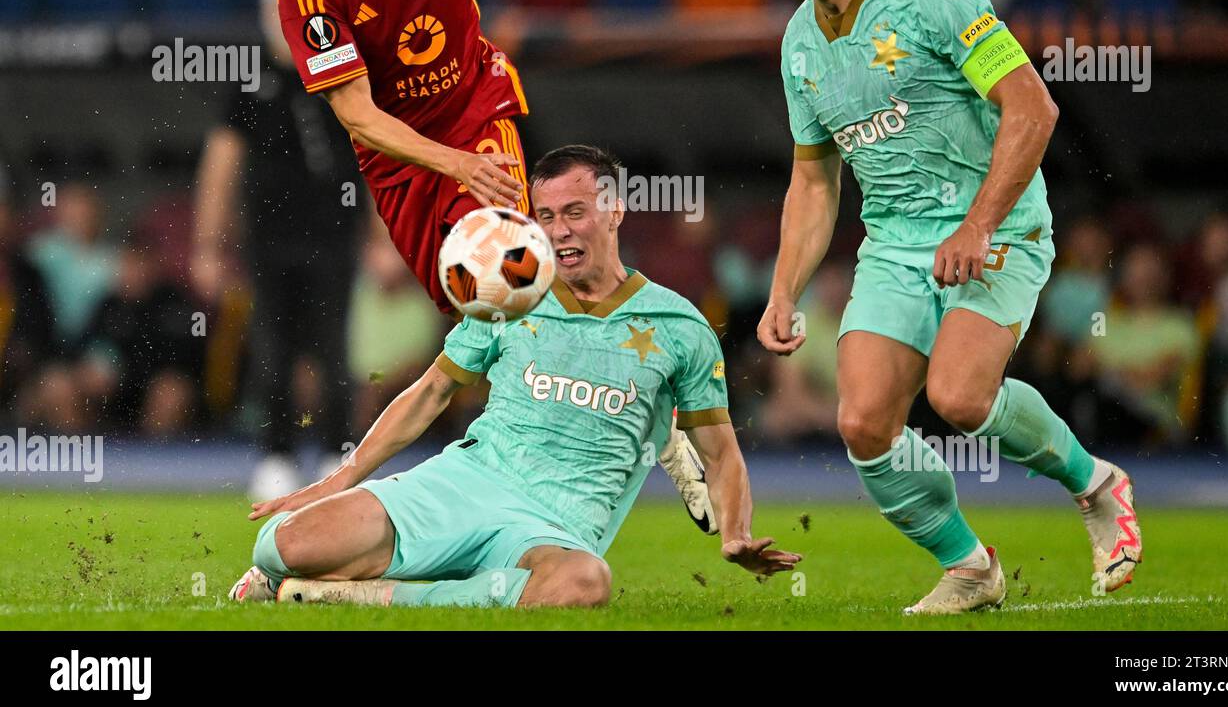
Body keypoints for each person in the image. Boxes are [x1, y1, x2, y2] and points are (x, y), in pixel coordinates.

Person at [275, 0, 714, 528]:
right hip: (402, 157)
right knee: (488, 315)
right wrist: (447, 165)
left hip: (478, 109)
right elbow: (357, 114)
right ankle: (616, 424)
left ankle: (656, 427)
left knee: (526, 270)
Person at [754, 0, 1142, 614]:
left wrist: (979, 224)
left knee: (961, 398)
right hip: (894, 248)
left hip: (995, 227)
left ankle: (1095, 482)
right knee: (863, 423)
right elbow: (814, 180)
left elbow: (1033, 110)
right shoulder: (798, 44)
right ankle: (969, 566)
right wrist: (782, 290)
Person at [228, 146, 800, 609]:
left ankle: (366, 598)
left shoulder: (679, 325)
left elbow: (721, 452)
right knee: (283, 544)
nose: (560, 232)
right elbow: (432, 392)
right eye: (546, 217)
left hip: (553, 527)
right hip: (467, 483)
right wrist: (340, 477)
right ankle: (367, 588)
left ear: (615, 211)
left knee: (584, 583)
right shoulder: (511, 294)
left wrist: (735, 534)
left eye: (576, 213)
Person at [192, 0, 363, 498]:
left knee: (335, 348)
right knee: (273, 350)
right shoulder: (250, 84)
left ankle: (340, 451)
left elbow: (377, 155)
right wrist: (207, 246)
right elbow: (221, 165)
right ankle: (276, 454)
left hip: (335, 237)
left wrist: (385, 238)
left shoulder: (343, 77)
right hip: (269, 240)